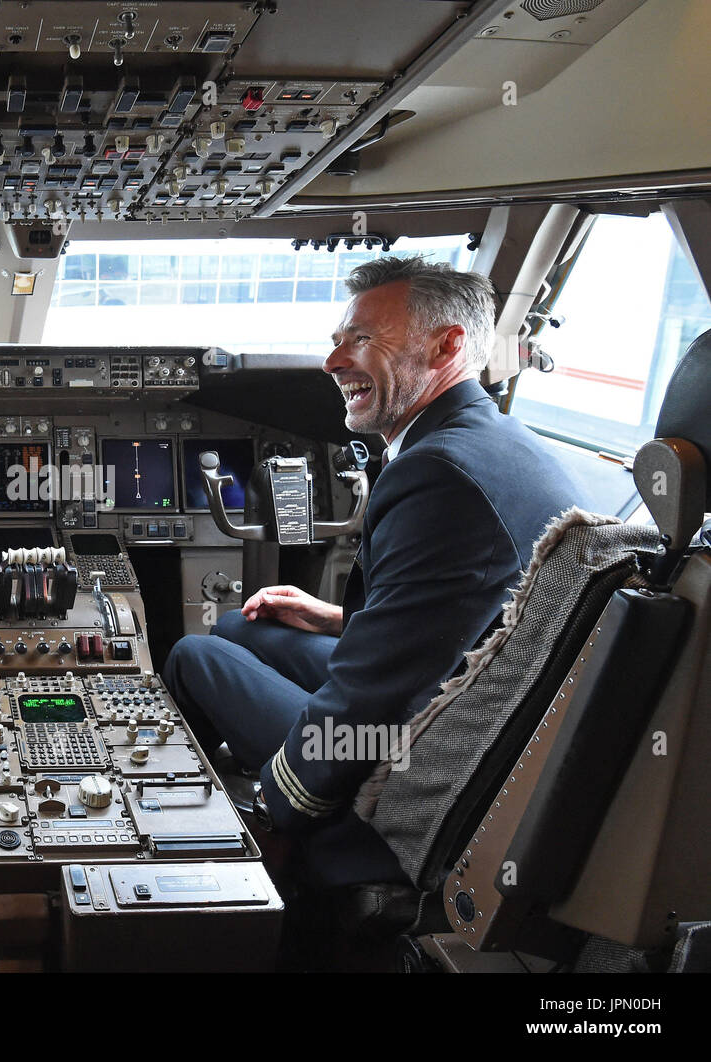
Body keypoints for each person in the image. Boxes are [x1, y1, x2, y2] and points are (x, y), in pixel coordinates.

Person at [162, 255, 585, 889]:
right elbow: (456, 618)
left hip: (410, 751)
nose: (333, 362)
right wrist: (336, 618)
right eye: (336, 341)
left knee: (196, 654)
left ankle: (191, 830)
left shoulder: (440, 473)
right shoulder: (495, 440)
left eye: (361, 339)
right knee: (236, 626)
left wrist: (281, 808)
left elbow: (371, 700)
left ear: (448, 344)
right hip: (462, 701)